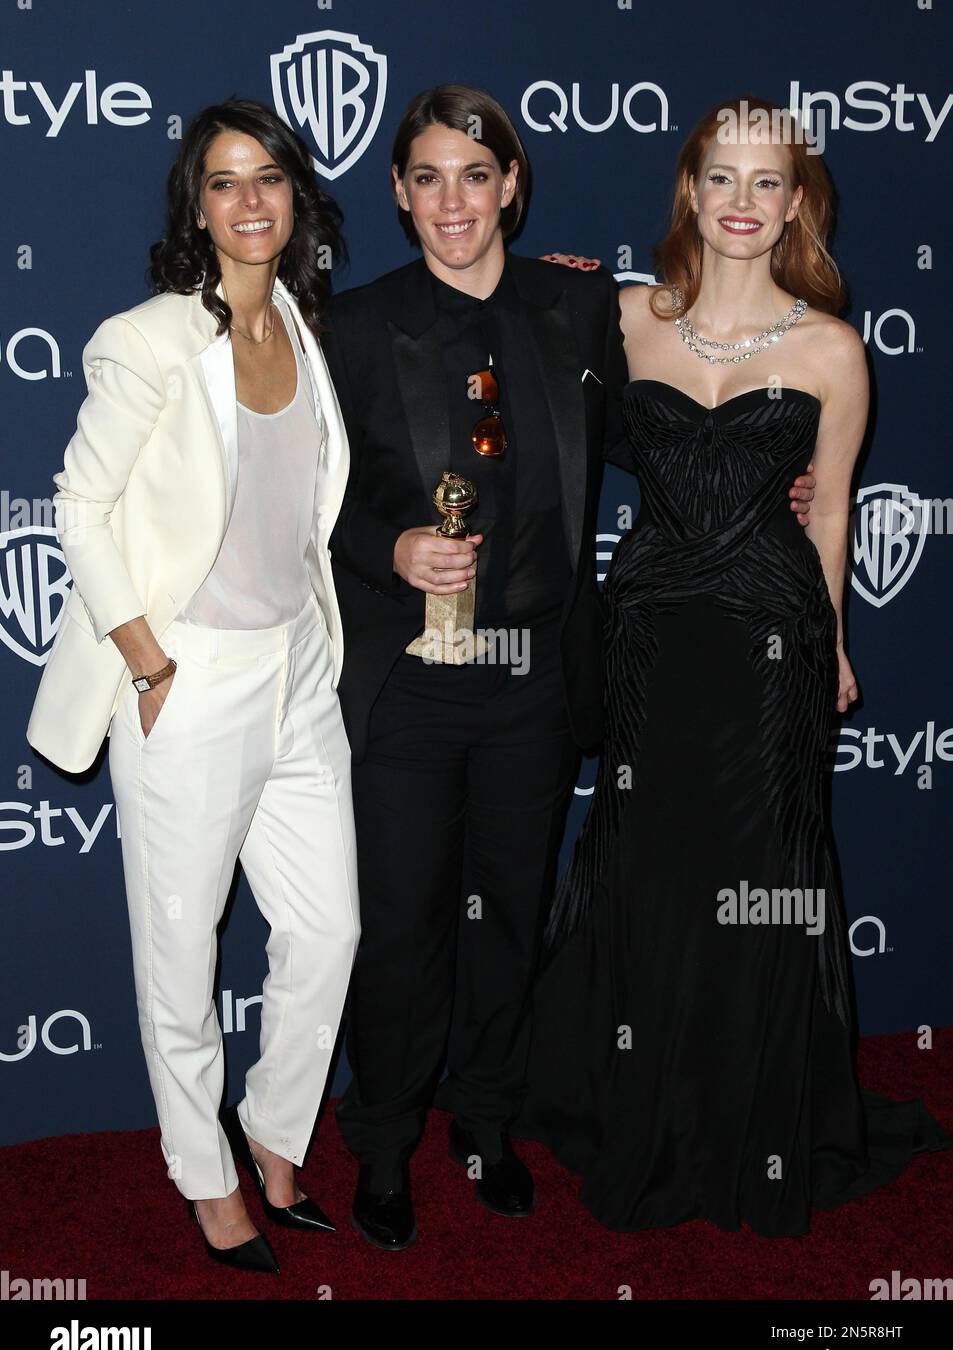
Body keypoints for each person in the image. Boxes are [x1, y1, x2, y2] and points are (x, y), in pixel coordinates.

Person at [321, 84, 819, 1251]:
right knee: (400, 926)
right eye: (429, 176)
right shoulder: (346, 326)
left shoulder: (580, 306)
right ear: (398, 192)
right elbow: (296, 505)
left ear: (512, 186)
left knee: (510, 914)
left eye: (476, 175)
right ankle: (385, 1138)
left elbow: (675, 425)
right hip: (405, 680)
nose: (454, 200)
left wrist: (775, 481)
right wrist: (389, 545)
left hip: (537, 676)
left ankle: (485, 1121)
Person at [512, 95, 953, 1235]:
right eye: (722, 178)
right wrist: (547, 292)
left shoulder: (829, 347)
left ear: (796, 202)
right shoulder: (619, 319)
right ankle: (639, 1103)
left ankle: (749, 1122)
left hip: (770, 645)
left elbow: (832, 510)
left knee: (762, 884)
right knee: (646, 874)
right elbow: (504, 366)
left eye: (768, 182)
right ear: (688, 192)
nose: (742, 203)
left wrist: (837, 646)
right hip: (650, 635)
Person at [26, 98, 361, 1273]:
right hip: (187, 674)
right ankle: (204, 1173)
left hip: (296, 673)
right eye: (224, 182)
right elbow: (78, 502)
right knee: (181, 950)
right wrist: (144, 656)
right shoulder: (150, 337)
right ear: (196, 207)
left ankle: (275, 1134)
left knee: (329, 930)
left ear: (296, 197)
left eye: (268, 176)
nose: (250, 200)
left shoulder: (305, 330)